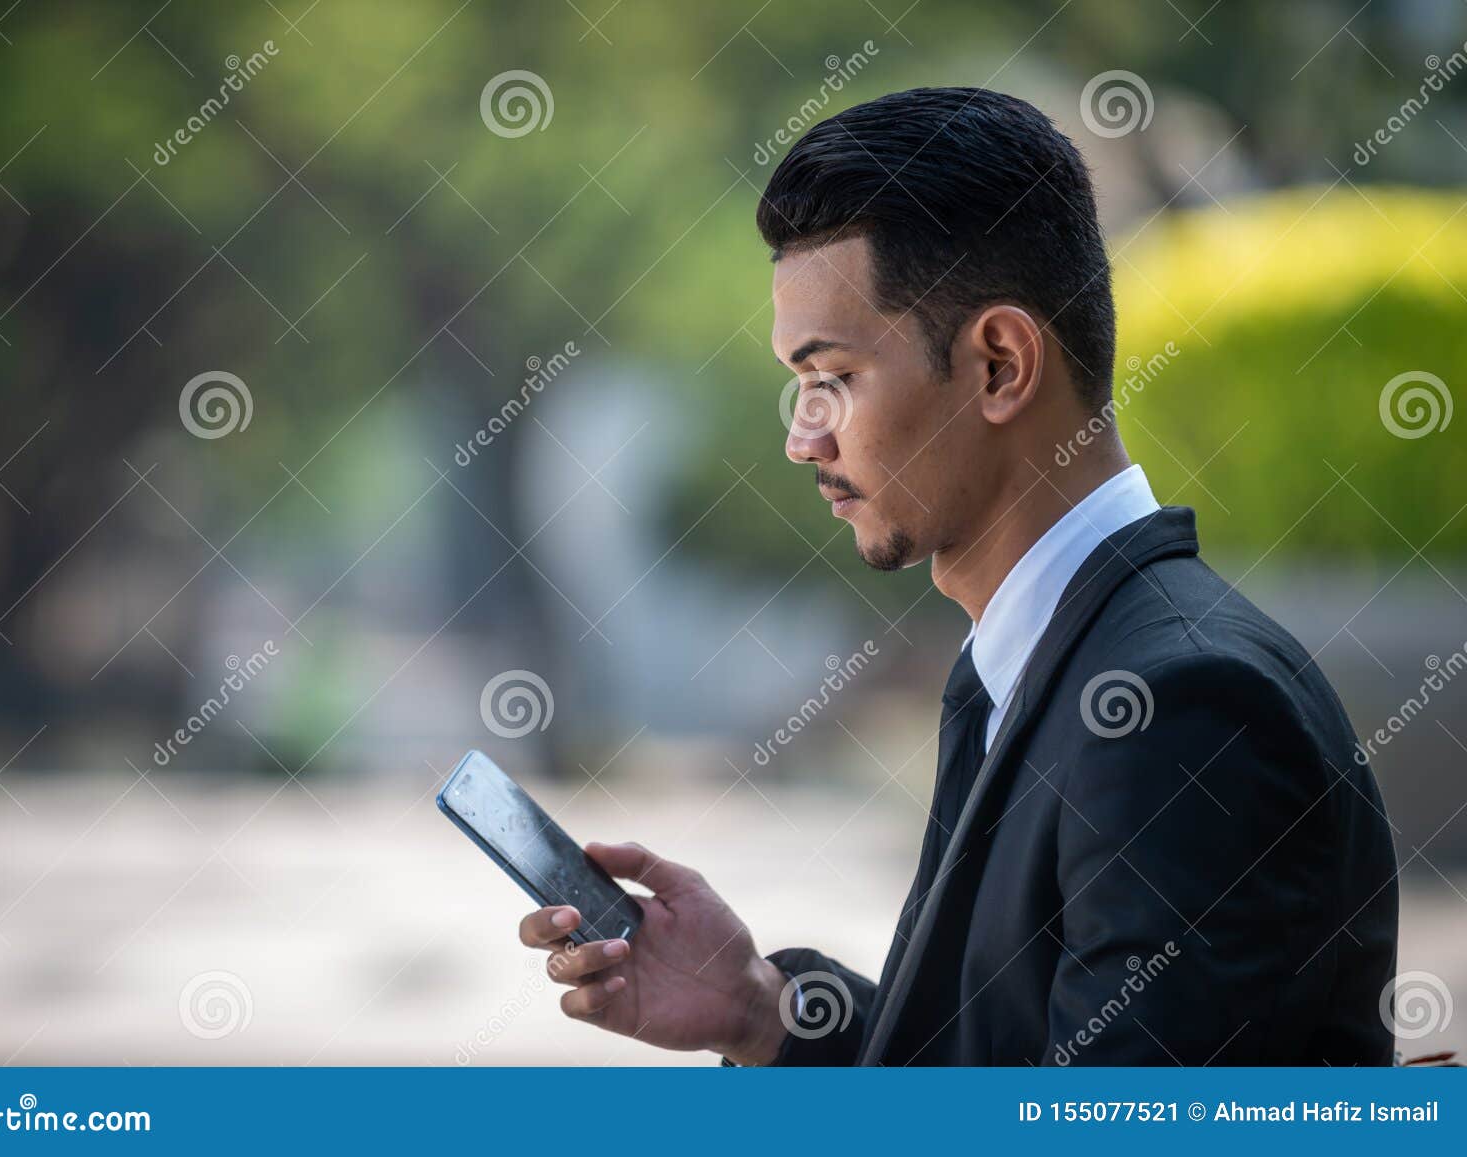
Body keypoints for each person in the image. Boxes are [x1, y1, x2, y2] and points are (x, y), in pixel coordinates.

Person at [514, 87, 1399, 1065]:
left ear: (997, 364)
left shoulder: (1178, 708)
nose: (801, 436)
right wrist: (764, 1010)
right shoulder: (1040, 663)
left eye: (831, 377)